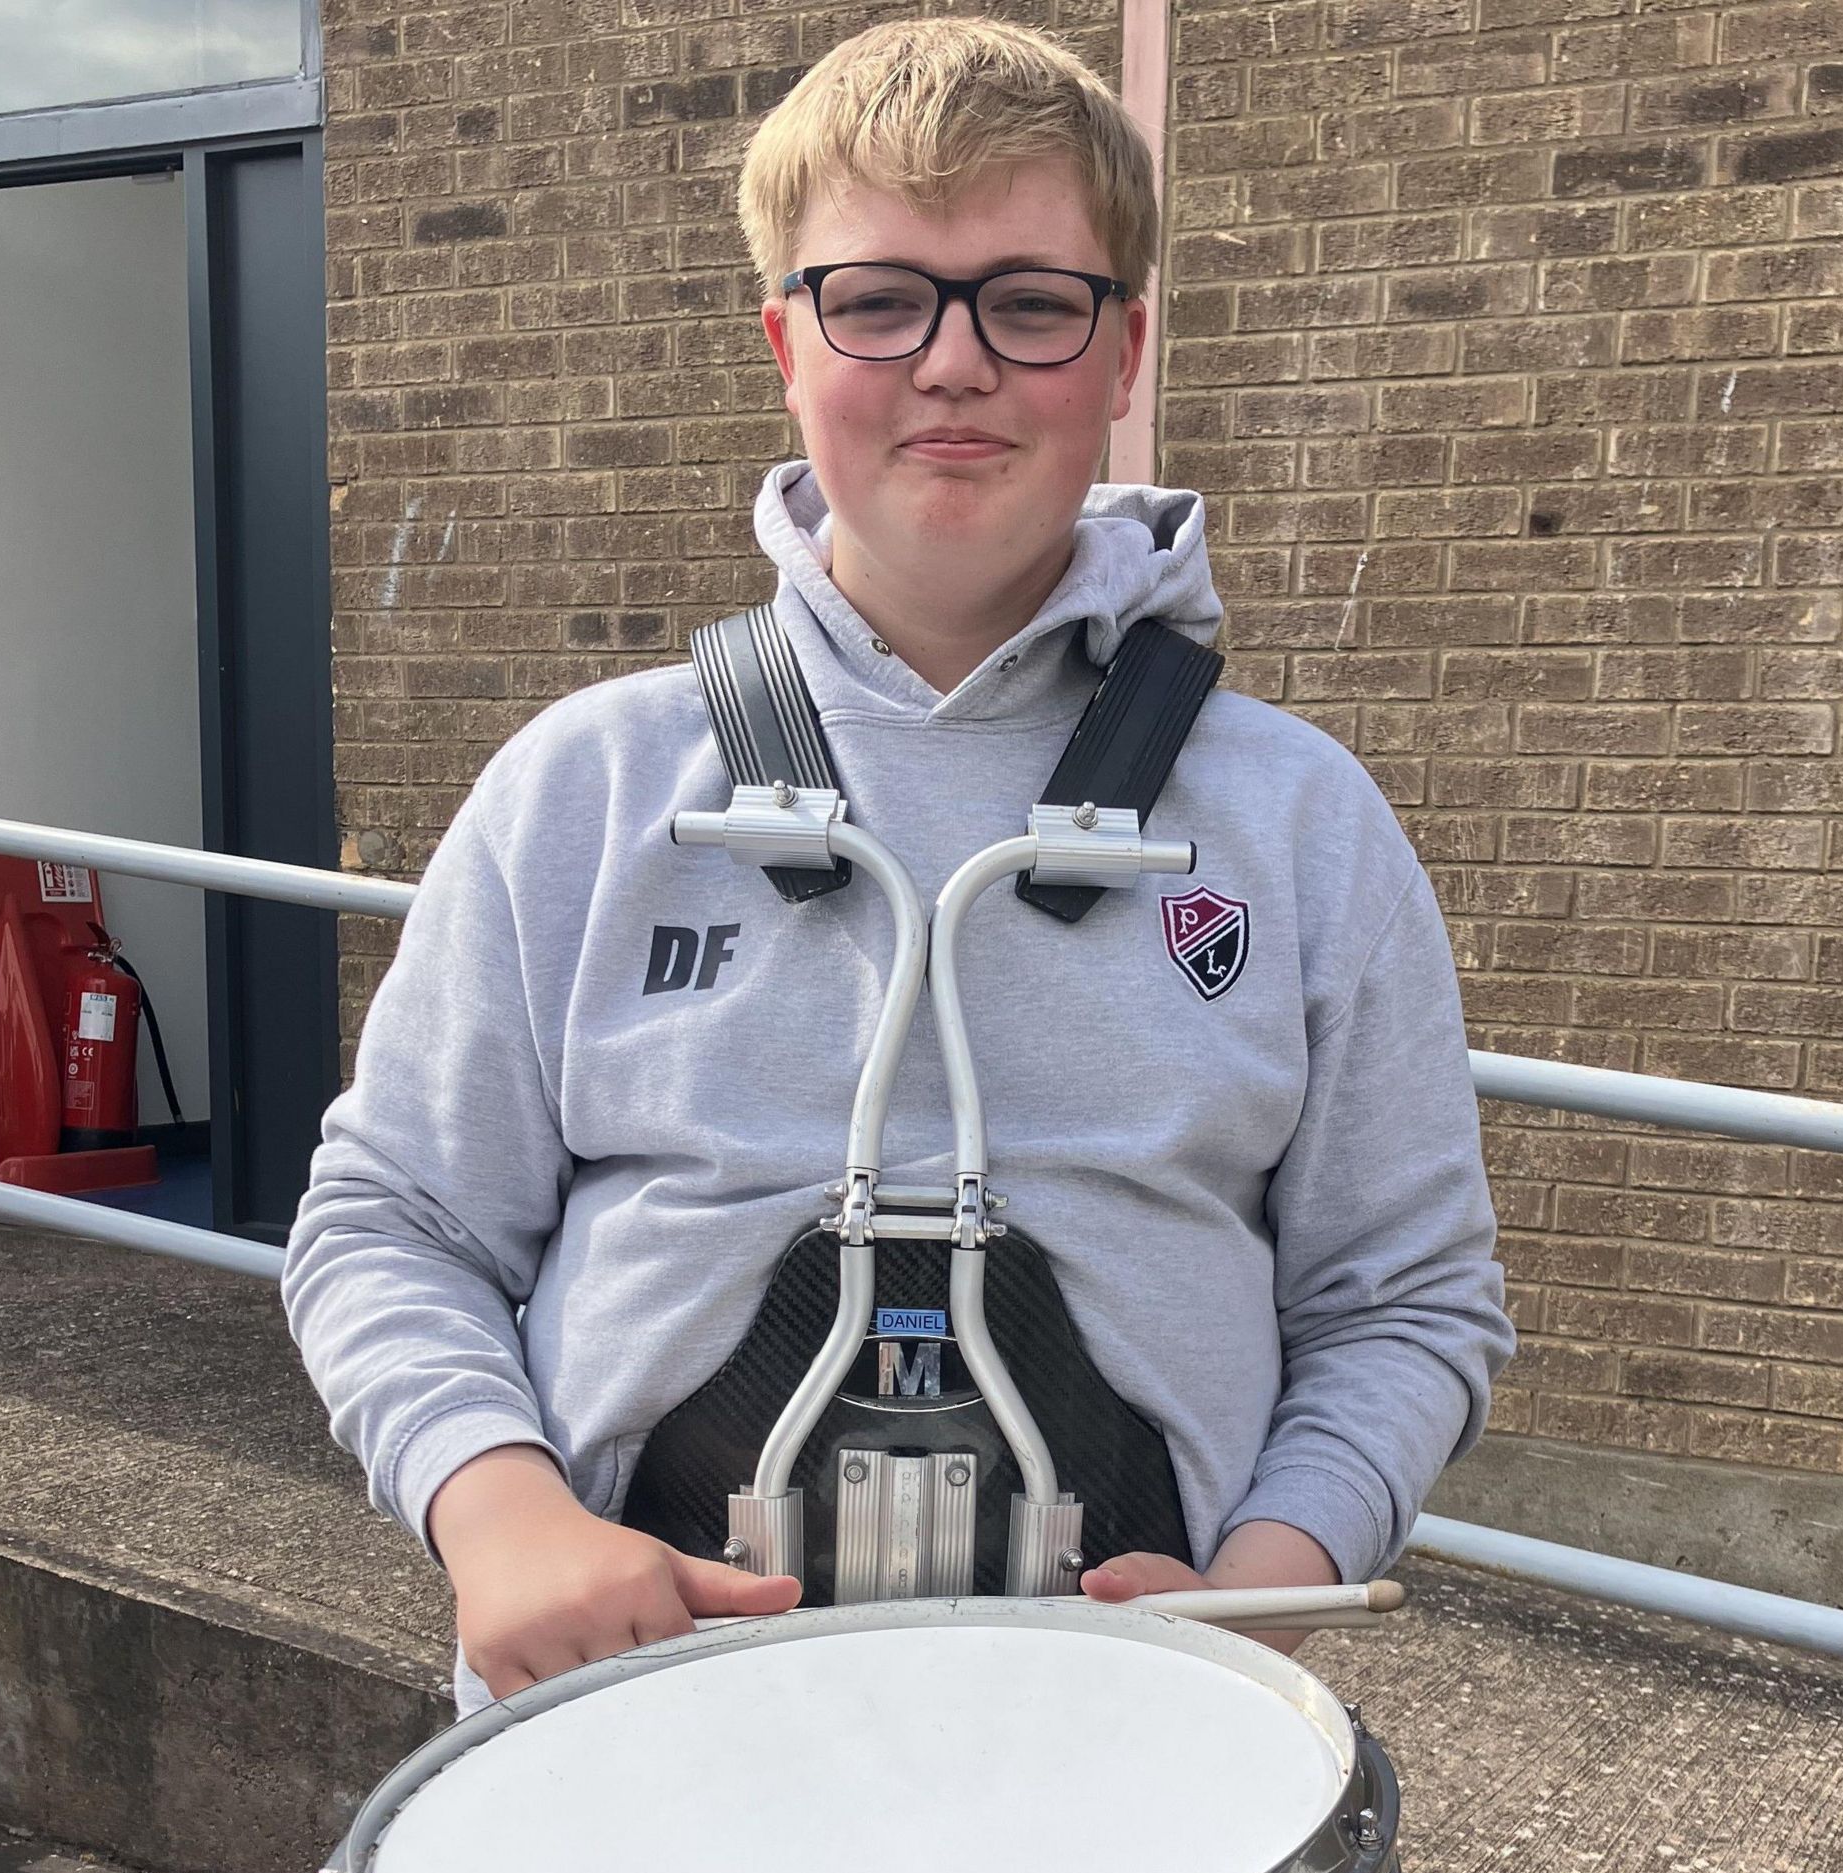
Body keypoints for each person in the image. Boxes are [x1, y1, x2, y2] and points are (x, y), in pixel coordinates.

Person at [283, 17, 1514, 1716]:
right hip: (628, 1741)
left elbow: (1408, 1301)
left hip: (1137, 1744)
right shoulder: (582, 790)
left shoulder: (1303, 823)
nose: (952, 364)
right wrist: (497, 1515)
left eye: (1032, 303)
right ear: (785, 341)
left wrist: (1270, 1580)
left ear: (1125, 348)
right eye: (878, 300)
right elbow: (393, 1223)